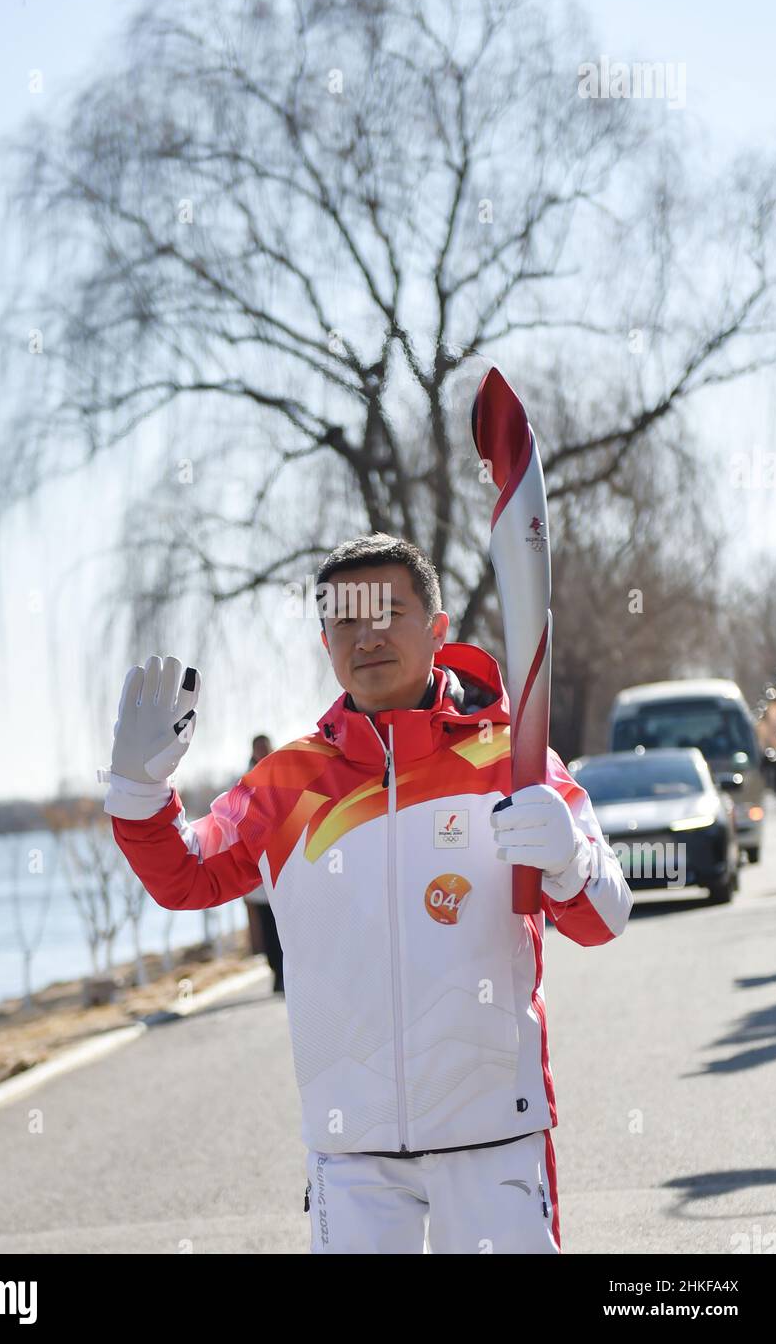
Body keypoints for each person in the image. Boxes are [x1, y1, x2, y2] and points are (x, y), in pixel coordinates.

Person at [100, 533, 633, 1254]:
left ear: (437, 630)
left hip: (494, 1137)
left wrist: (569, 859)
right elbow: (188, 874)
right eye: (345, 620)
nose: (366, 635)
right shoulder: (286, 783)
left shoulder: (513, 760)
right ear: (325, 641)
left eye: (388, 612)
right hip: (351, 1152)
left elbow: (605, 917)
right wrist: (138, 794)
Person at [242, 734, 285, 993]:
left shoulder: (283, 774)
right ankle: (276, 972)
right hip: (259, 866)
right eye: (258, 748)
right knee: (267, 927)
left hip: (284, 862)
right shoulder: (245, 783)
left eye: (265, 747)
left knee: (285, 923)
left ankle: (286, 972)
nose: (262, 752)